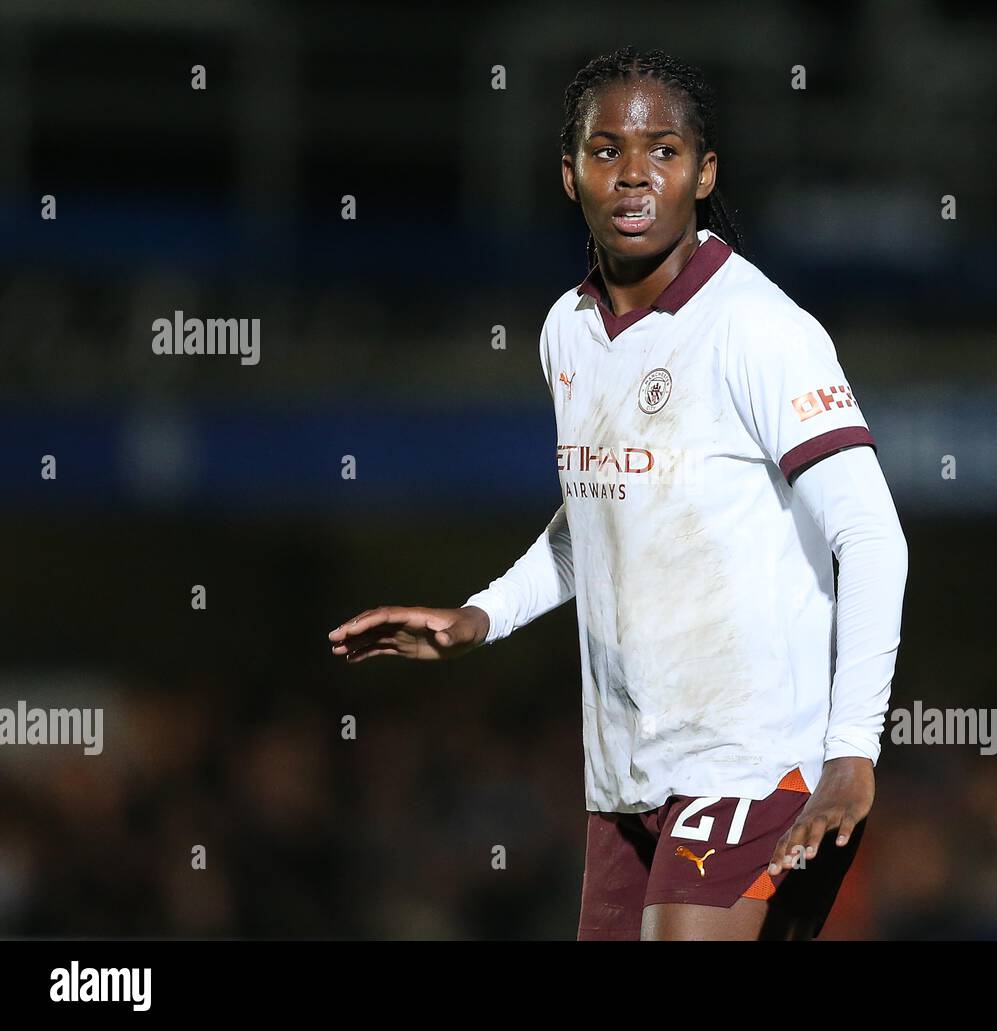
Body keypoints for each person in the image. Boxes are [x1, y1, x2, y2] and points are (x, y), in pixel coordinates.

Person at [328, 46, 908, 941]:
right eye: (606, 151)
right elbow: (601, 514)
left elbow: (871, 536)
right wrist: (482, 615)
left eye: (664, 151)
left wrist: (851, 753)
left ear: (704, 172)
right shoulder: (568, 330)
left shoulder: (760, 329)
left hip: (752, 765)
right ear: (570, 175)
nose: (634, 175)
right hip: (627, 776)